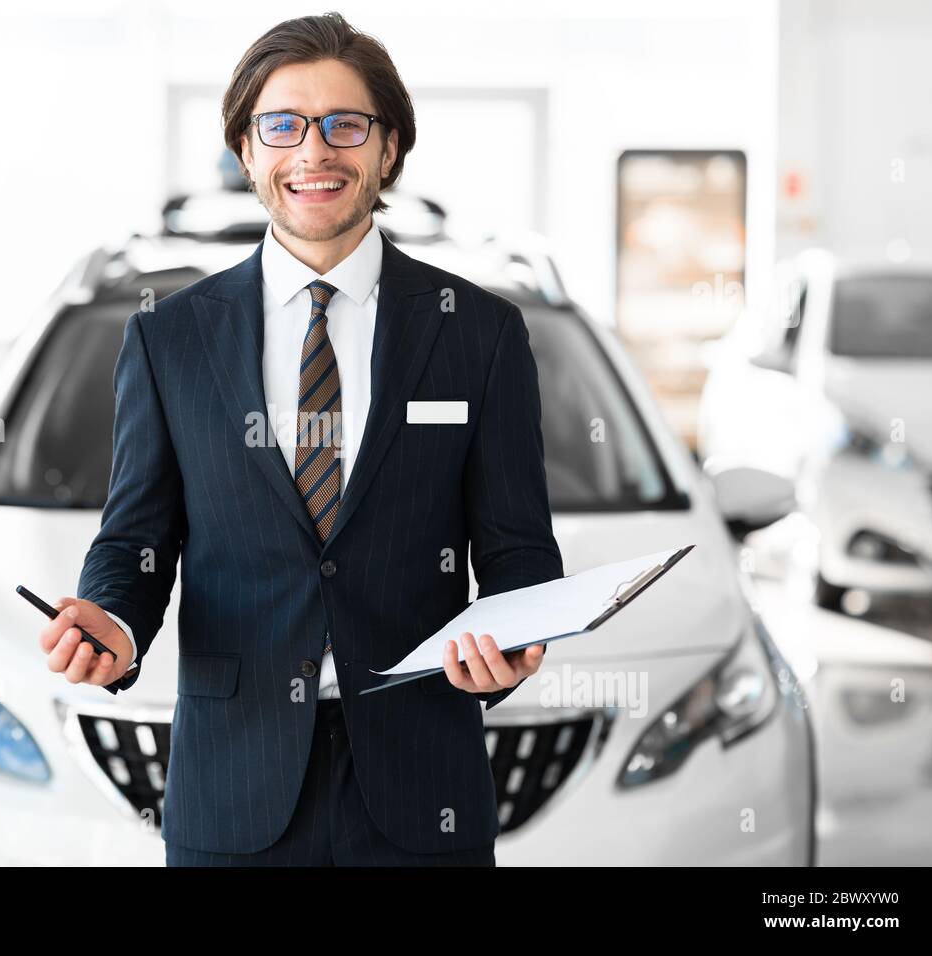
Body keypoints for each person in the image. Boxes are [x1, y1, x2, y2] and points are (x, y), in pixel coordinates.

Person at [39, 11, 563, 866]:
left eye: (344, 125)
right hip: (233, 789)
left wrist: (514, 638)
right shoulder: (168, 340)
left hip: (421, 780)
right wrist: (115, 625)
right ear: (248, 151)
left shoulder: (478, 332)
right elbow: (137, 538)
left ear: (387, 149)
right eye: (281, 125)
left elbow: (518, 552)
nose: (313, 152)